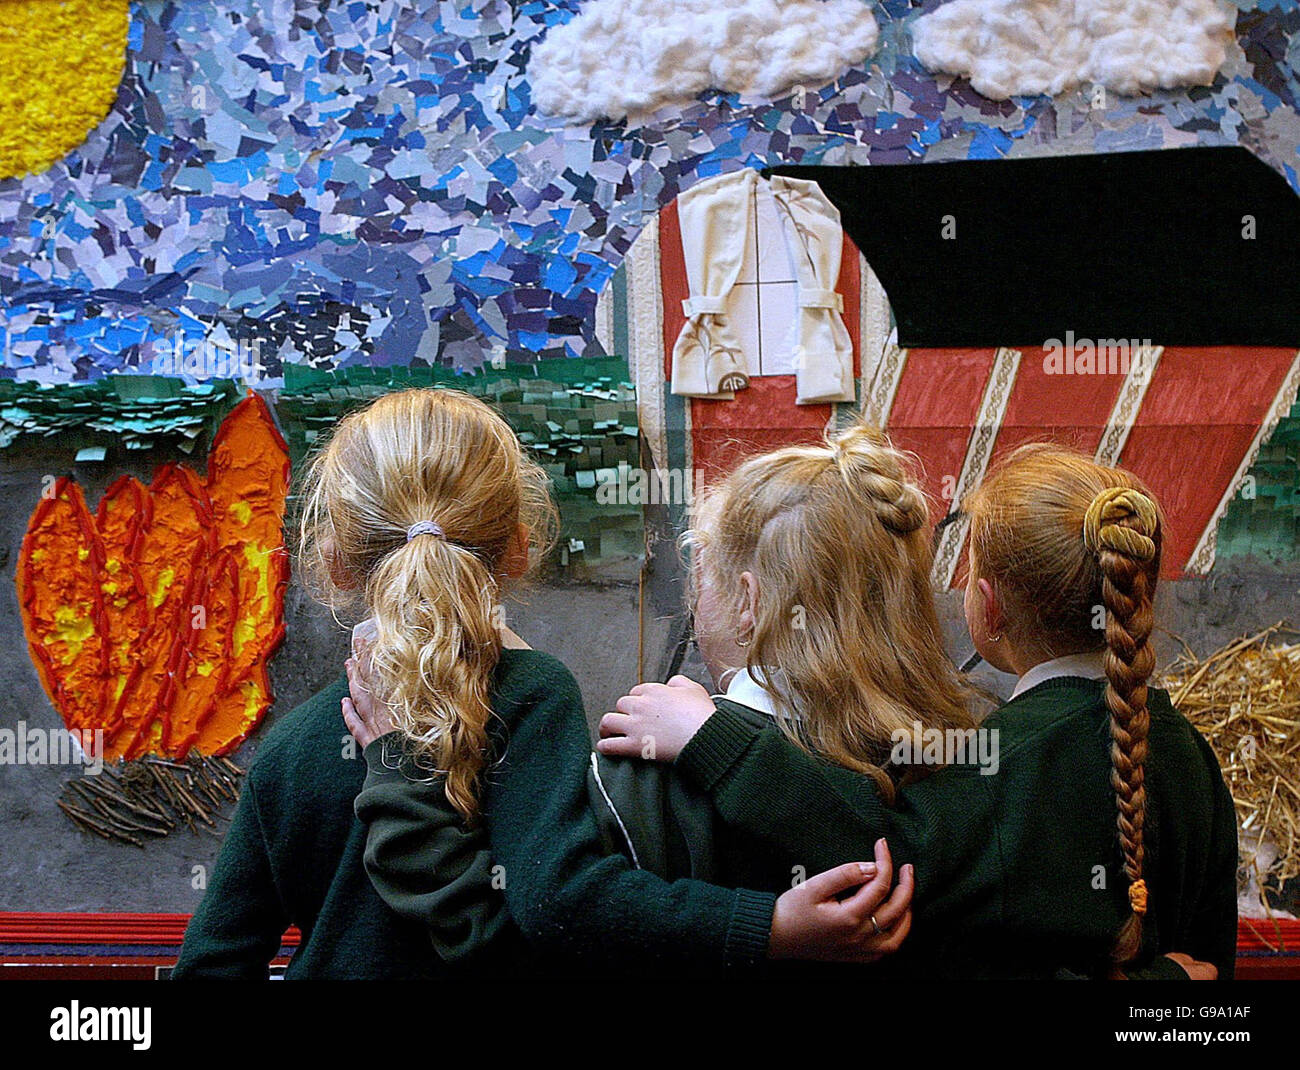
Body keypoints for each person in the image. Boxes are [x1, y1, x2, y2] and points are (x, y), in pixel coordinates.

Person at [176, 388, 905, 978]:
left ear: (334, 565)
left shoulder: (291, 750)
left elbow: (210, 962)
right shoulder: (531, 696)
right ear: (520, 548)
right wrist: (764, 929)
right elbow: (562, 905)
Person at [599, 442, 1236, 980]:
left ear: (987, 606)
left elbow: (876, 853)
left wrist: (712, 739)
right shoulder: (1192, 754)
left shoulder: (994, 767)